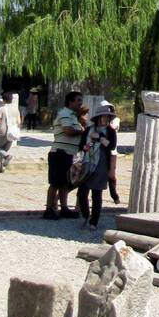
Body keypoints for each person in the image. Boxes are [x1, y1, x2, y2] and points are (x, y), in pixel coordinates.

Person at [75, 102, 119, 230]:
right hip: (87, 163)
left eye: (108, 116)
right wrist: (86, 147)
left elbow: (112, 146)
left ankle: (94, 221)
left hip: (101, 164)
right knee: (82, 192)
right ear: (98, 118)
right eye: (103, 116)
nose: (106, 118)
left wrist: (100, 138)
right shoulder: (89, 129)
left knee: (96, 194)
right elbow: (81, 146)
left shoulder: (110, 131)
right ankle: (85, 215)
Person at [44, 91, 86, 220]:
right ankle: (49, 209)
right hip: (60, 153)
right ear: (70, 102)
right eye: (78, 100)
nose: (80, 103)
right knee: (55, 183)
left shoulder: (73, 116)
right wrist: (83, 131)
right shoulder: (65, 113)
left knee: (65, 183)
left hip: (68, 154)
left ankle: (64, 208)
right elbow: (68, 131)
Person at [0, 90, 21, 171]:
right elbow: (19, 122)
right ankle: (2, 167)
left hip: (3, 131)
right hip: (12, 132)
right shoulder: (16, 109)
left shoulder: (1, 109)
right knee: (4, 150)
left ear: (4, 99)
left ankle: (7, 156)